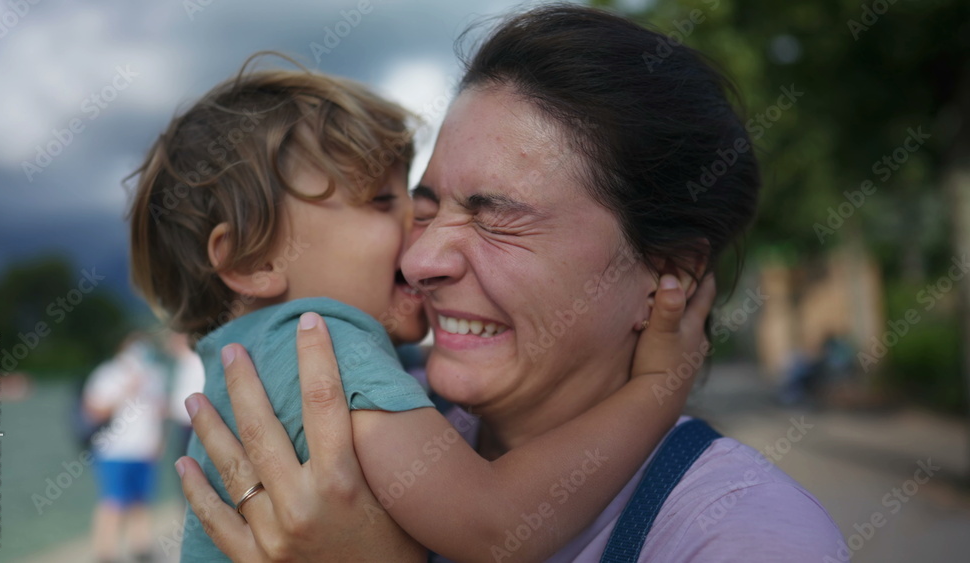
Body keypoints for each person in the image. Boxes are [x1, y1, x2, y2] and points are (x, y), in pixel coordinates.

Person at [176, 6, 847, 561]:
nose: (420, 259)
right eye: (425, 205)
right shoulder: (376, 434)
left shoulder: (738, 536)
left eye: (496, 216)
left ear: (668, 271)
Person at [129, 53, 710, 562]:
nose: (419, 226)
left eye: (410, 193)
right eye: (381, 200)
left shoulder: (248, 358)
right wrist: (656, 386)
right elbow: (495, 525)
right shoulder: (320, 341)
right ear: (252, 262)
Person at [83, 332, 167, 563]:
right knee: (113, 501)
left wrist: (159, 441)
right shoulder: (107, 374)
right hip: (114, 450)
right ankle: (105, 553)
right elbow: (93, 412)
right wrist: (126, 390)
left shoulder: (155, 374)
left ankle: (141, 548)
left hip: (145, 450)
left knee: (141, 501)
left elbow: (159, 412)